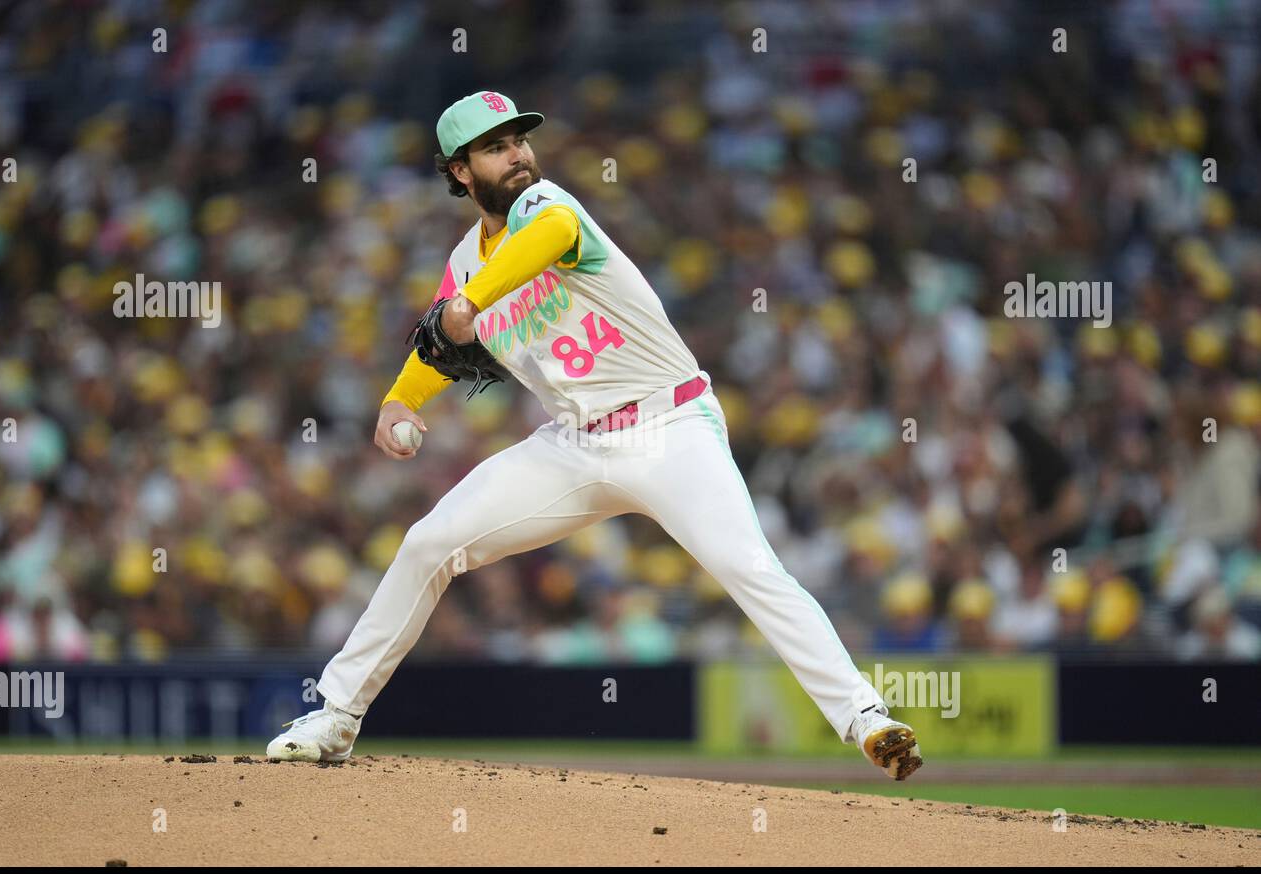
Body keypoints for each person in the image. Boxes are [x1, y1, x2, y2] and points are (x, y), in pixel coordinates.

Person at [267, 91, 922, 780]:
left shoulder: (546, 208)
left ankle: (865, 717)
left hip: (671, 426)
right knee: (429, 542)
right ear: (459, 171)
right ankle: (336, 716)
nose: (517, 153)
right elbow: (438, 343)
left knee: (749, 568)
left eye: (519, 139)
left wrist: (469, 304)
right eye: (495, 147)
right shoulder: (465, 262)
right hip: (574, 444)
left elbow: (523, 260)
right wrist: (398, 401)